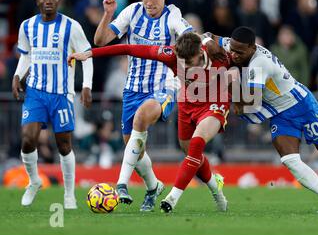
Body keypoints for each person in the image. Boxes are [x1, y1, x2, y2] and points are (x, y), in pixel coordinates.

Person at [211, 26, 318, 213]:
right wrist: (202, 41)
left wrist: (227, 83)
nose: (233, 55)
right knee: (290, 159)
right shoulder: (235, 46)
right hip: (280, 113)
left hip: (300, 104)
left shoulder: (259, 64)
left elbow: (250, 103)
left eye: (239, 52)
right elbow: (211, 37)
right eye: (231, 50)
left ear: (252, 47)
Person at [68, 32, 229, 213]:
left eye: (189, 63)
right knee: (189, 152)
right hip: (187, 104)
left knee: (196, 145)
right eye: (181, 62)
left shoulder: (219, 55)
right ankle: (215, 186)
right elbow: (130, 49)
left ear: (201, 53)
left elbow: (247, 52)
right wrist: (91, 53)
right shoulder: (170, 54)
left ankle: (177, 198)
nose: (185, 67)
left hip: (214, 103)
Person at [93, 0, 193, 211]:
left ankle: (121, 184)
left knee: (141, 119)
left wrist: (185, 54)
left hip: (163, 86)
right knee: (134, 148)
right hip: (132, 89)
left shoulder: (173, 15)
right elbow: (100, 41)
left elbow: (189, 36)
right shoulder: (132, 11)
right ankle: (153, 186)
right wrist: (107, 14)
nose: (149, 3)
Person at [12, 0, 93, 209]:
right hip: (36, 92)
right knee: (28, 139)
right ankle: (34, 180)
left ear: (59, 0)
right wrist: (17, 75)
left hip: (62, 94)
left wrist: (86, 86)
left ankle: (69, 195)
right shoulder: (27, 26)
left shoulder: (72, 26)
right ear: (38, 1)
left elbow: (87, 55)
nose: (48, 2)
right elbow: (27, 55)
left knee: (64, 145)